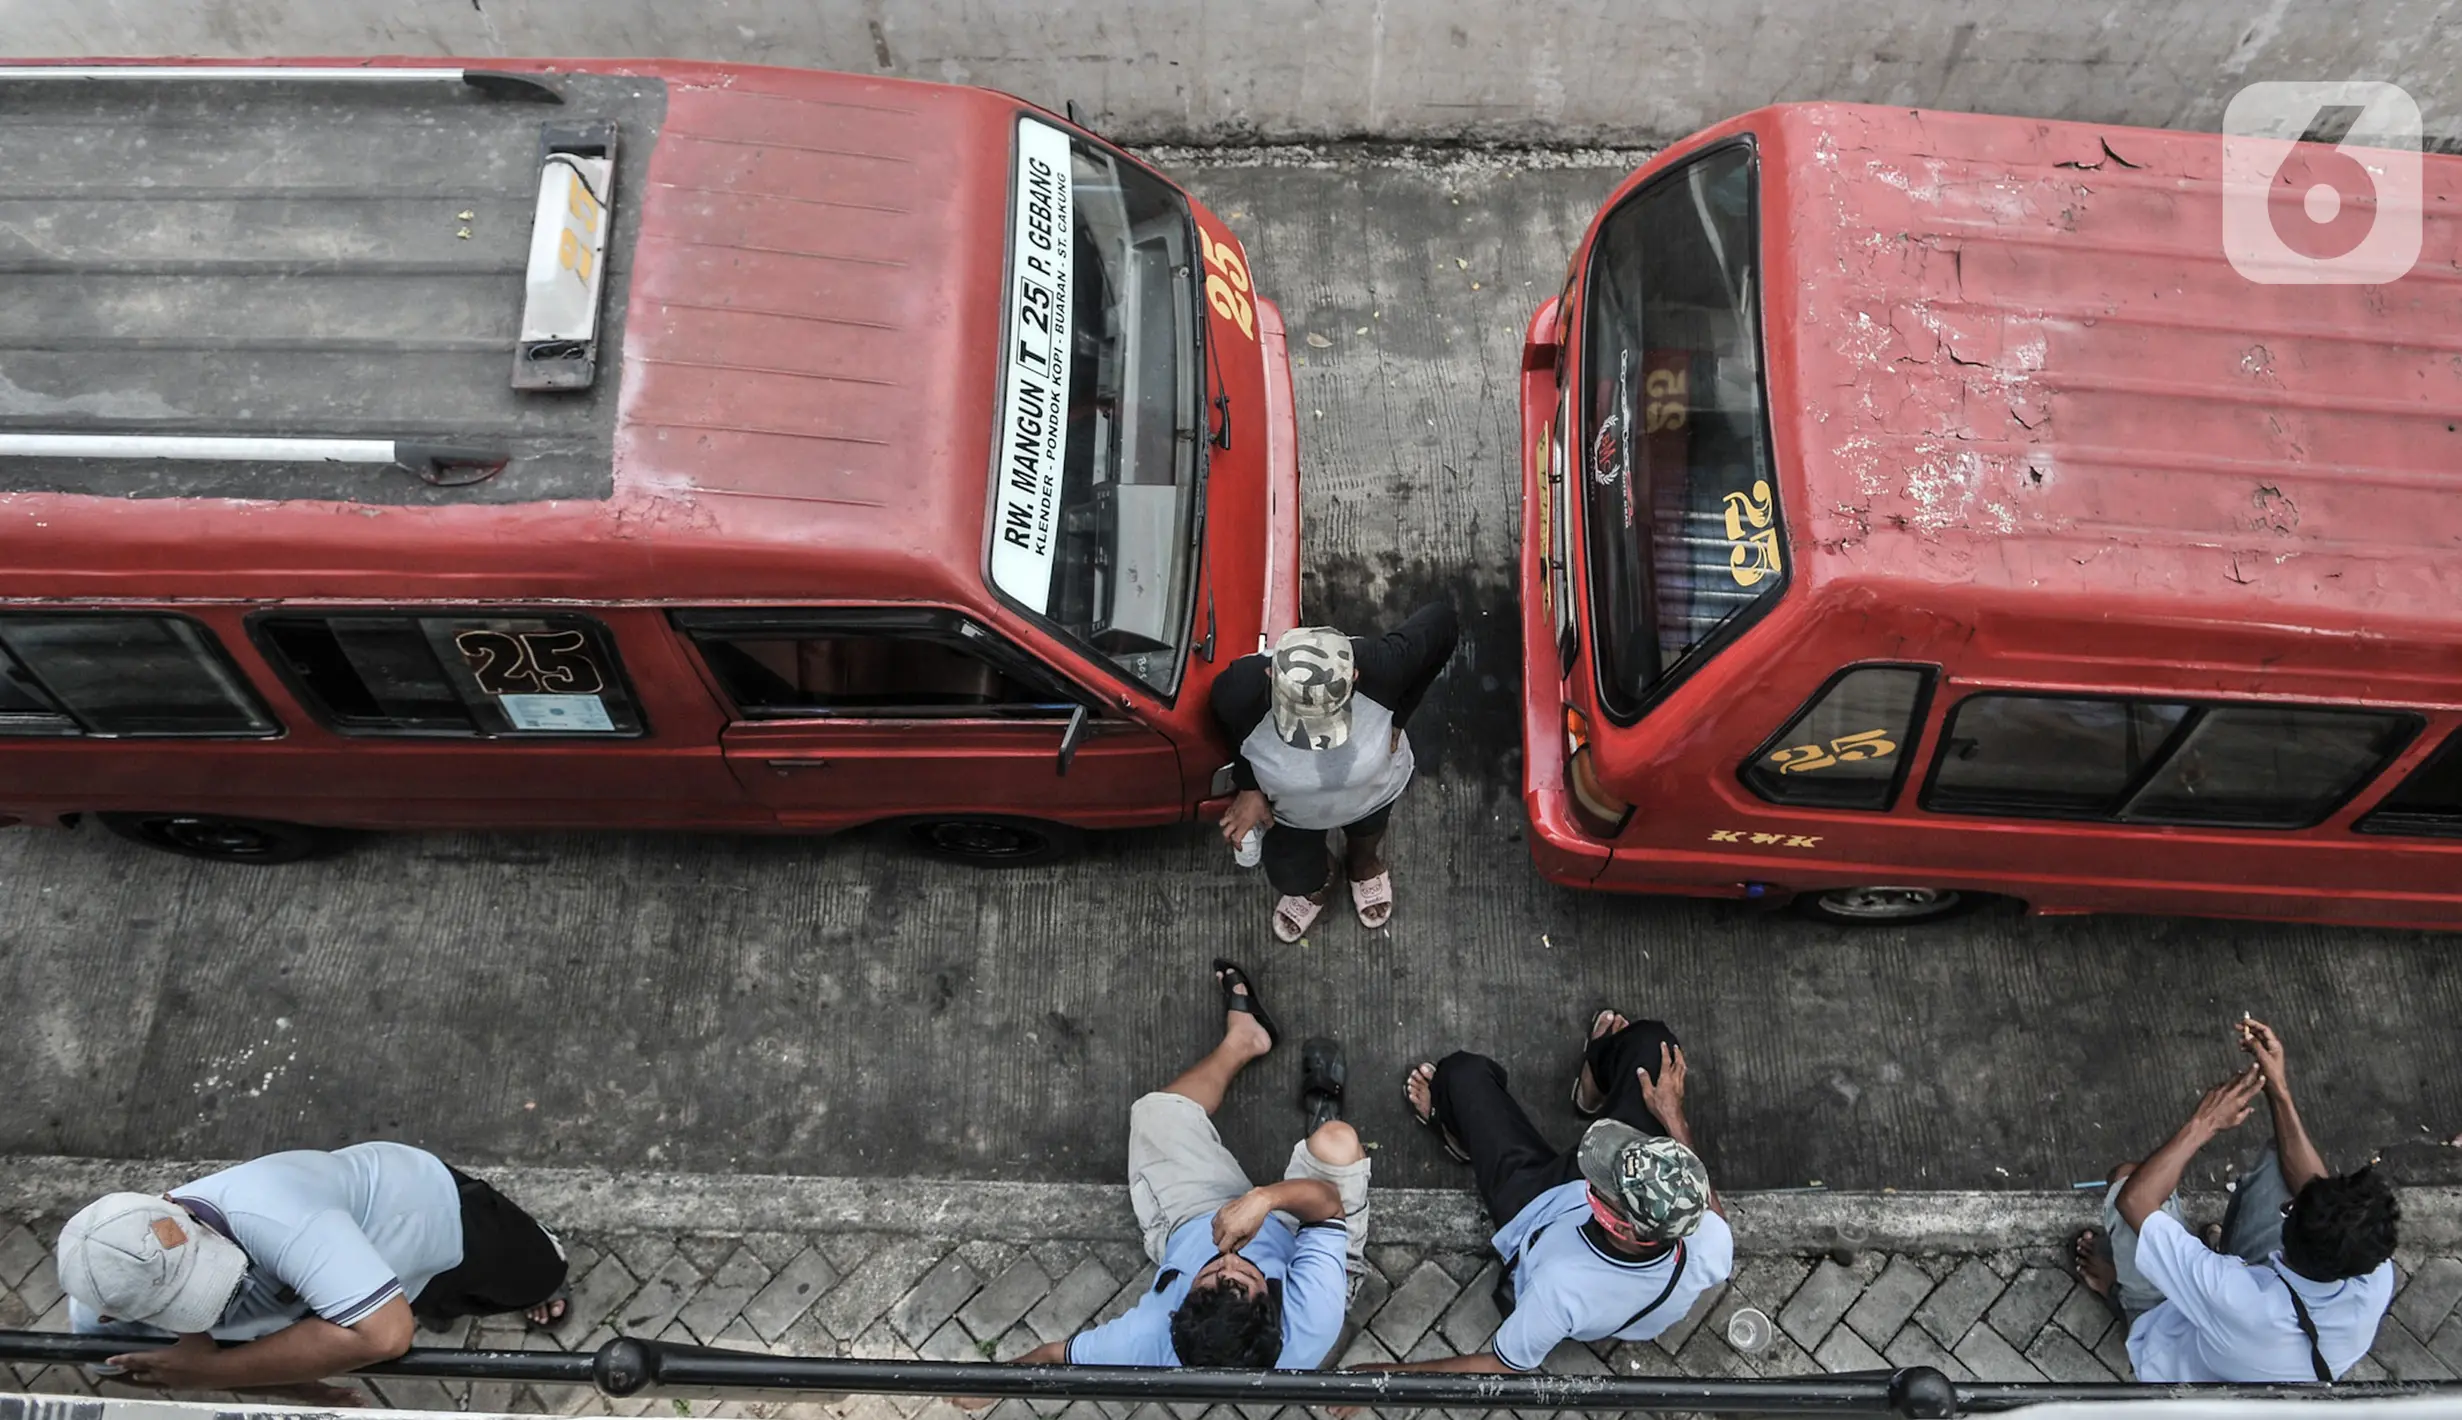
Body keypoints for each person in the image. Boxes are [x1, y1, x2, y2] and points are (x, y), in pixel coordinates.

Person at [1000, 961, 1369, 1374]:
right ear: (1271, 1305)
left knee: (1155, 1114)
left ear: (1177, 1311)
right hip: (1302, 1239)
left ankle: (1243, 1041)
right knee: (1335, 1142)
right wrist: (1265, 1199)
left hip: (1190, 1221)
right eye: (1241, 1280)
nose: (1227, 1259)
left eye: (1207, 1279)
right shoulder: (1312, 1316)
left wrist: (984, 1388)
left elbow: (1053, 1356)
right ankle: (1328, 1218)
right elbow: (1327, 1206)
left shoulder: (1145, 1339)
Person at [57, 1142, 569, 1401]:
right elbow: (148, 1375)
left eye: (205, 1270)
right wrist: (291, 1384)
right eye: (186, 1304)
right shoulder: (99, 1312)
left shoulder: (273, 1209)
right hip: (381, 1286)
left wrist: (211, 1372)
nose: (222, 1298)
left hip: (437, 1217)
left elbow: (388, 1336)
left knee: (533, 1275)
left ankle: (545, 1270)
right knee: (432, 1306)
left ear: (175, 1205)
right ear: (106, 1316)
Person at [1371, 1011, 1733, 1375]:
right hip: (1586, 1204)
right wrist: (1672, 1115)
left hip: (1533, 1208)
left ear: (1622, 1228)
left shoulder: (1561, 1289)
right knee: (1652, 1045)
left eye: (1604, 1178)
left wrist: (1391, 1374)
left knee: (1461, 1075)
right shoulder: (1703, 1234)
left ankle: (1455, 1133)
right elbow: (1706, 1200)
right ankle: (1592, 1084)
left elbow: (1504, 1363)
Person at [2073, 1017, 2399, 1383]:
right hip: (2255, 1317)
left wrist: (2206, 1121)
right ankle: (2216, 1248)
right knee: (2283, 1164)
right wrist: (2278, 1090)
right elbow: (2313, 1192)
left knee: (2127, 1177)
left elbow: (2135, 1200)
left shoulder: (2234, 1295)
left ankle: (2122, 1298)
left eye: (2292, 1206)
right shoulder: (2371, 1278)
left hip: (2188, 1336)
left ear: (2286, 1226)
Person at [1211, 603, 1458, 940]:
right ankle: (1321, 878)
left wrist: (1402, 714)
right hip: (1288, 811)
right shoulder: (1237, 689)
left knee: (1369, 830)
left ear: (1354, 676)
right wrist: (1249, 786)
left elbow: (1442, 622)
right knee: (1291, 871)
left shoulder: (1385, 663)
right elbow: (1229, 734)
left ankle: (1362, 863)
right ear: (1270, 673)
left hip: (1372, 791)